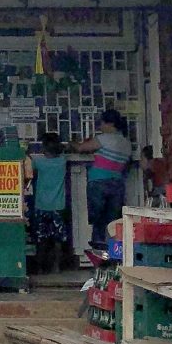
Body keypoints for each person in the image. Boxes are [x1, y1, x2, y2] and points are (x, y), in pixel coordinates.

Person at [73, 110, 133, 249]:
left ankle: (99, 254)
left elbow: (82, 148)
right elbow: (126, 166)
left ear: (110, 124)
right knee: (113, 222)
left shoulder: (105, 138)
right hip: (117, 184)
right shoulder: (126, 143)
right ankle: (113, 253)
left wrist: (72, 143)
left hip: (99, 183)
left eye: (102, 123)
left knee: (98, 220)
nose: (100, 126)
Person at [28, 133, 70, 272]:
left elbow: (28, 165)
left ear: (44, 148)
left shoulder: (39, 162)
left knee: (41, 239)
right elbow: (67, 148)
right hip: (58, 206)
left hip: (41, 206)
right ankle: (56, 266)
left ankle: (39, 267)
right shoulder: (62, 162)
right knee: (58, 239)